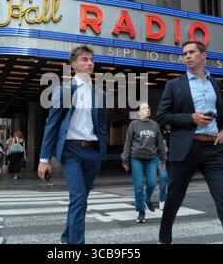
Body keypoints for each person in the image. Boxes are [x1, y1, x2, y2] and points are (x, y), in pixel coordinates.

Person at [156, 40, 223, 244]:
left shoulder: (216, 83)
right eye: (184, 53)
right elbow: (162, 115)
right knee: (174, 199)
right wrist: (191, 118)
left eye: (191, 52)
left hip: (213, 149)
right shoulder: (174, 85)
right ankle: (164, 238)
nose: (187, 56)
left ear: (203, 56)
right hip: (185, 149)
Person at [37, 45, 108, 244]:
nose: (90, 63)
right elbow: (52, 126)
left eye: (92, 60)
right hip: (71, 152)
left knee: (80, 201)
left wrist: (101, 153)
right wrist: (44, 159)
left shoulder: (100, 94)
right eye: (85, 59)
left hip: (92, 152)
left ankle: (67, 238)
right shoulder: (63, 90)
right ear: (74, 65)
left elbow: (102, 127)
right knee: (78, 199)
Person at [121, 102, 166, 223]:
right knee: (139, 186)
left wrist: (163, 159)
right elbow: (128, 143)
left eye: (148, 108)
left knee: (152, 183)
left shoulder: (154, 125)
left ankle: (147, 199)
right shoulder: (134, 124)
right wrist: (125, 160)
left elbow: (160, 143)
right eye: (145, 108)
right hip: (136, 159)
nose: (148, 110)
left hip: (151, 159)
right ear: (139, 112)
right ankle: (141, 211)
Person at [159, 124, 172, 210]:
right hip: (161, 158)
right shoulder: (159, 130)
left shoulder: (175, 130)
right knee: (163, 177)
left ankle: (171, 200)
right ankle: (162, 200)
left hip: (172, 157)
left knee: (172, 179)